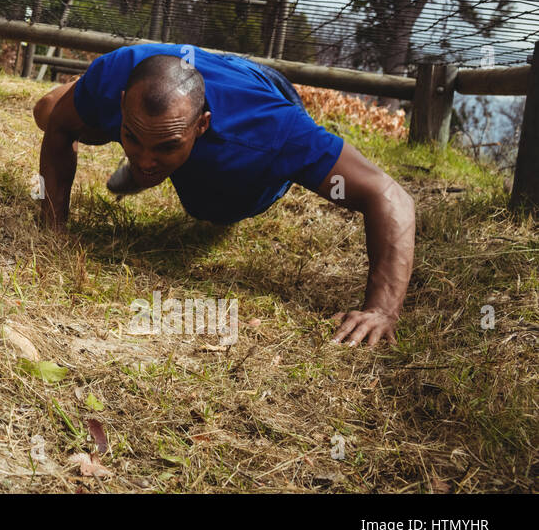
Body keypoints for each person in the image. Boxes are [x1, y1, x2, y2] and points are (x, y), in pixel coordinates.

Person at [32, 42, 414, 348]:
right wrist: (53, 228)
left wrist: (382, 309)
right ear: (121, 100)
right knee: (48, 111)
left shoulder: (272, 132)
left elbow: (388, 195)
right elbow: (61, 130)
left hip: (260, 91)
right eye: (132, 139)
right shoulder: (115, 71)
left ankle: (175, 156)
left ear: (202, 125)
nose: (146, 159)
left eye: (166, 146)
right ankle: (146, 141)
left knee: (213, 207)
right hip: (191, 68)